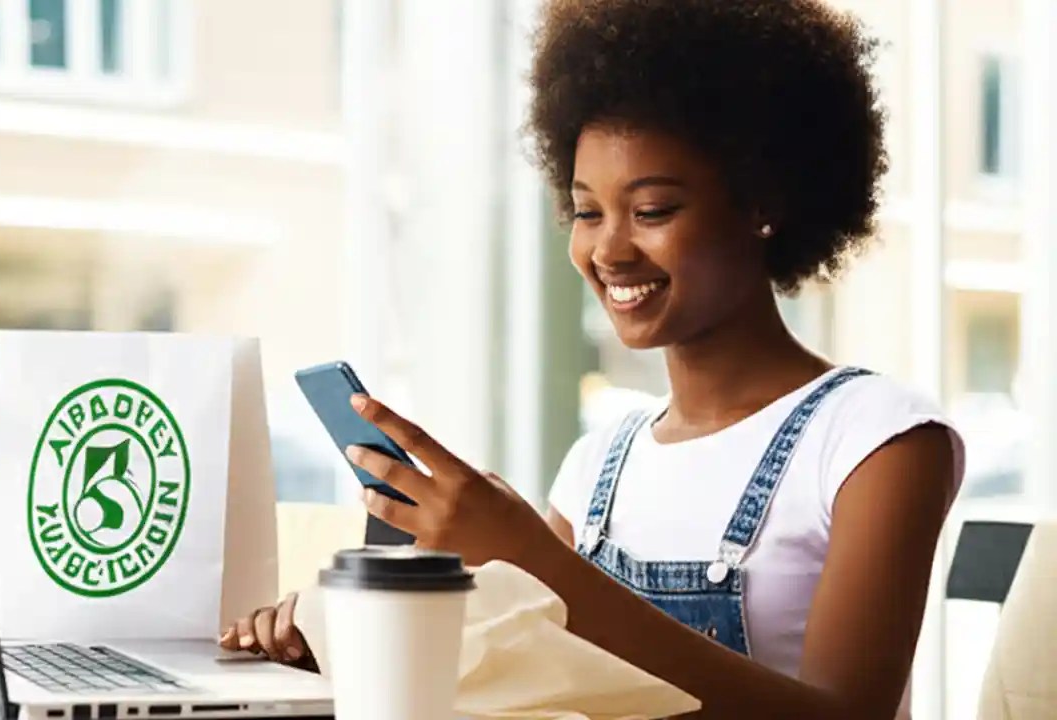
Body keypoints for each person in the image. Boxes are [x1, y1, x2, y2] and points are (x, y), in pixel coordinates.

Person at [221, 0, 964, 717]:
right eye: (586, 211)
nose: (608, 250)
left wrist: (534, 561)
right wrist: (345, 642)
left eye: (652, 211)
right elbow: (535, 677)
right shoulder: (597, 466)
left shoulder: (877, 439)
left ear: (763, 200)